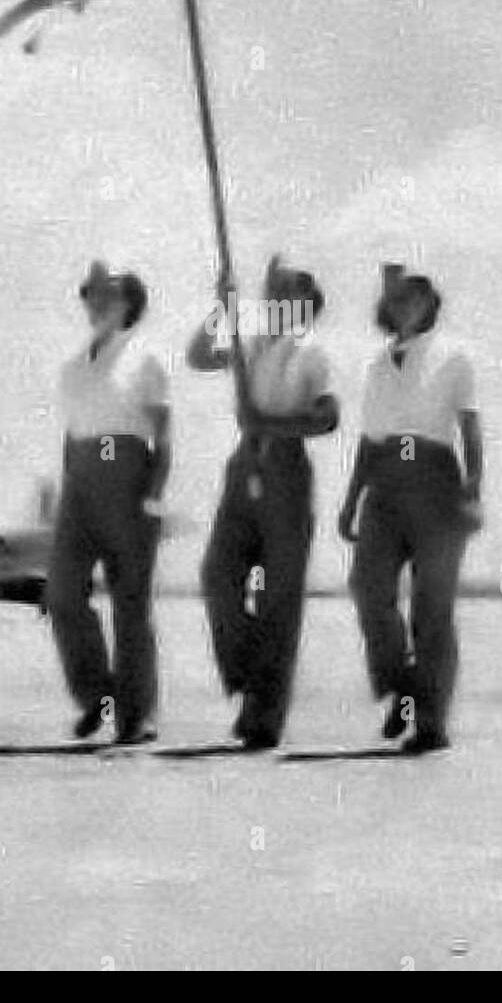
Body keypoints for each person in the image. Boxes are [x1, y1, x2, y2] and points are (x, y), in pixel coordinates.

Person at [187, 255, 339, 749]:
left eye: (283, 295)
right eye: (271, 294)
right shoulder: (252, 342)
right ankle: (250, 672)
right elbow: (200, 356)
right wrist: (222, 309)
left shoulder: (311, 353)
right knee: (217, 573)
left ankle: (263, 718)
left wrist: (268, 424)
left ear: (304, 306)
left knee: (280, 597)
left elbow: (327, 418)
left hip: (286, 470)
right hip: (244, 467)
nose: (272, 300)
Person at [338, 263, 483, 754]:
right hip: (384, 482)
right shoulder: (378, 365)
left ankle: (430, 721)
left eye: (413, 299)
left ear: (430, 304)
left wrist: (473, 488)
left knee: (432, 608)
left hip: (437, 479)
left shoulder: (453, 355)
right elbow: (371, 438)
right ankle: (402, 686)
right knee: (368, 588)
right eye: (396, 300)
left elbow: (469, 424)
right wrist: (351, 499)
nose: (404, 307)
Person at [44, 260, 171, 744]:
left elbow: (164, 435)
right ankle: (97, 694)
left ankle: (137, 715)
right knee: (61, 593)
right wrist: (68, 486)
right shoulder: (72, 367)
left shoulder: (145, 359)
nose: (96, 304)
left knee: (130, 602)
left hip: (129, 476)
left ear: (129, 304)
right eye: (90, 295)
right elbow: (72, 435)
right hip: (81, 482)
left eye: (108, 295)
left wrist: (155, 494)